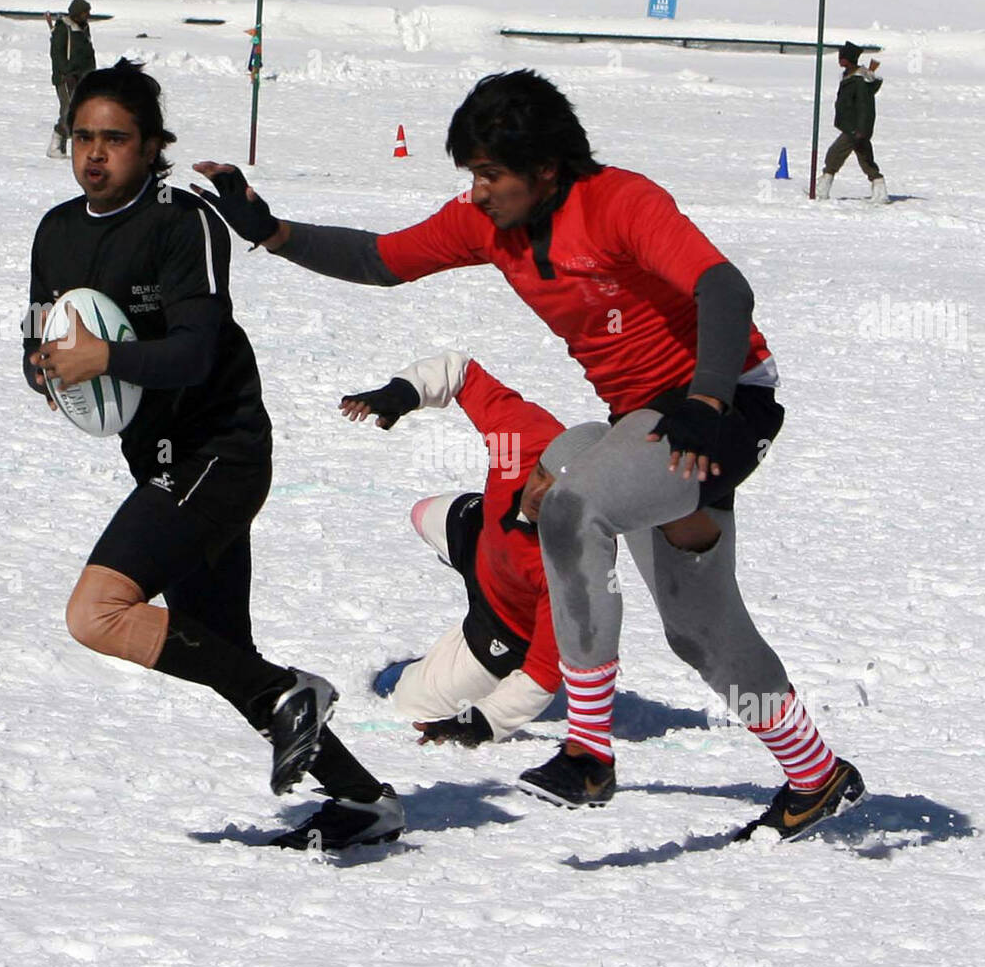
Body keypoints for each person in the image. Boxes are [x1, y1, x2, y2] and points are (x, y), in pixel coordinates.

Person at [192, 68, 865, 841]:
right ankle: (818, 775)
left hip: (727, 401)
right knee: (698, 629)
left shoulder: (620, 202)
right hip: (643, 419)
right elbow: (383, 258)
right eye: (471, 175)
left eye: (489, 174)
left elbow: (725, 290)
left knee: (573, 505)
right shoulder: (491, 224)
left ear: (545, 169)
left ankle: (586, 753)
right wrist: (271, 232)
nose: (477, 193)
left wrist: (710, 403)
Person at [23, 58, 402, 851]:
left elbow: (195, 355)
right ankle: (364, 800)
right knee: (218, 649)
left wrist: (107, 360)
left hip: (220, 453)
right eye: (82, 137)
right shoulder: (57, 230)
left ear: (152, 144)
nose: (95, 154)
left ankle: (293, 692)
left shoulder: (181, 219)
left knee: (96, 614)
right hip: (156, 456)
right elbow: (43, 348)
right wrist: (47, 369)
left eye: (115, 139)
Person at [340, 348, 610, 758]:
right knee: (423, 514)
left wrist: (483, 722)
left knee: (405, 700)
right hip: (482, 537)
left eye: (556, 491)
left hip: (502, 629)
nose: (538, 493)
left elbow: (541, 677)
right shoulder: (520, 439)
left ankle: (443, 671)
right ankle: (468, 563)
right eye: (540, 474)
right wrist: (403, 393)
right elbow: (461, 373)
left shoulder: (575, 569)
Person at [817, 40, 887, 204]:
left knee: (834, 154)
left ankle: (823, 187)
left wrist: (861, 130)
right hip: (851, 126)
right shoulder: (849, 77)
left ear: (849, 59)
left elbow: (865, 107)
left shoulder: (859, 81)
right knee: (866, 159)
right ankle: (879, 189)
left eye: (843, 57)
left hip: (855, 128)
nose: (840, 59)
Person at [47, 0, 97, 160]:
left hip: (83, 77)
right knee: (69, 110)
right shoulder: (64, 29)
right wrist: (66, 71)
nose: (87, 16)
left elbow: (88, 53)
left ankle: (67, 147)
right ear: (77, 13)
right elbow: (57, 54)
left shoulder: (83, 28)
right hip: (65, 78)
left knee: (82, 111)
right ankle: (56, 143)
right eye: (85, 13)